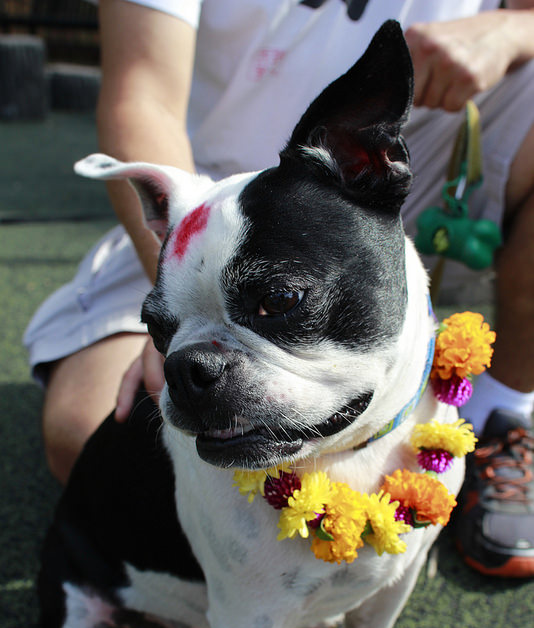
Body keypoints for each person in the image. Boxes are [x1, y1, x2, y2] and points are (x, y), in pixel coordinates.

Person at [24, 0, 534, 577]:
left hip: (384, 177)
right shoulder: (185, 234)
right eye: (162, 325)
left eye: (277, 303)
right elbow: (141, 96)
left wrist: (518, 26)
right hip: (200, 199)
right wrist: (188, 305)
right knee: (85, 436)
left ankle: (502, 416)